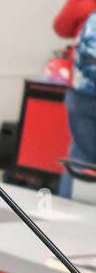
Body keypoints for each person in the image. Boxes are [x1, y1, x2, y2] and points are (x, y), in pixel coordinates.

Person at [61, 10, 96, 198]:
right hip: (88, 99)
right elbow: (91, 61)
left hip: (82, 96)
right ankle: (69, 209)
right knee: (82, 159)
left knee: (81, 156)